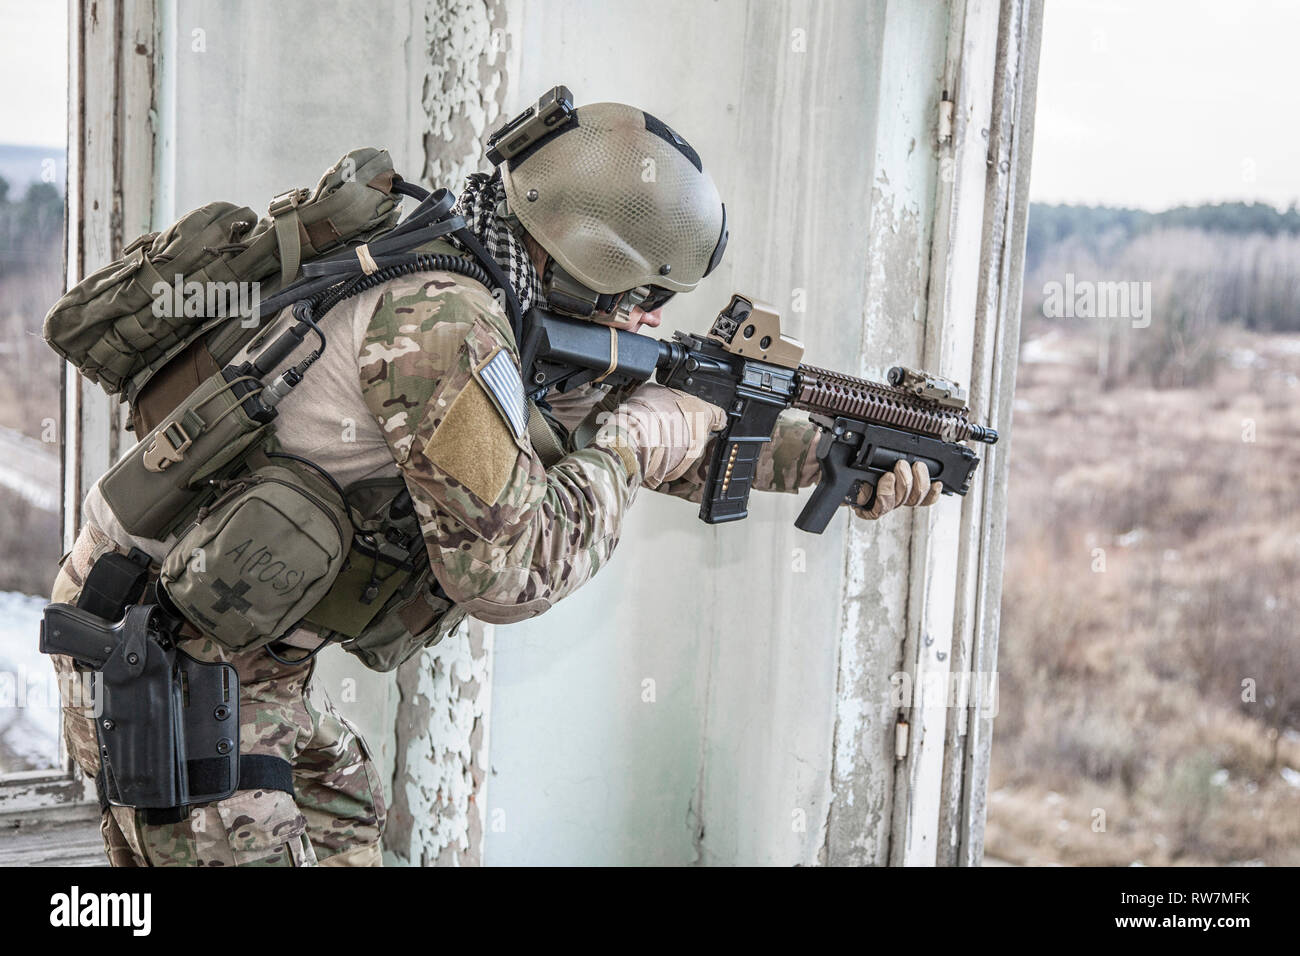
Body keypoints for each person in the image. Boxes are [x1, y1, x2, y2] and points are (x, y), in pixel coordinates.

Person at [49, 94, 940, 867]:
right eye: (644, 297)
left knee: (346, 805)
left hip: (232, 656)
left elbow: (639, 421)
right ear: (591, 264)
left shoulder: (478, 263)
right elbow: (508, 573)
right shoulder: (443, 323)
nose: (651, 320)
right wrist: (628, 451)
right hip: (159, 657)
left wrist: (838, 462)